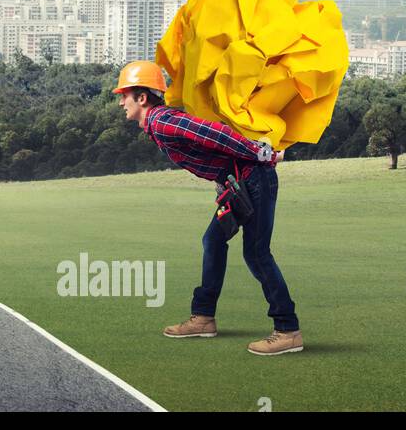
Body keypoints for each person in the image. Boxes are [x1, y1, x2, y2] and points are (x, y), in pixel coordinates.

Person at [112, 60, 303, 356]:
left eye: (124, 94)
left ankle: (288, 330)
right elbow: (207, 149)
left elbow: (212, 133)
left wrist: (259, 153)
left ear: (142, 98)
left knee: (256, 253)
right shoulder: (157, 124)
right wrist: (222, 180)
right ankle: (203, 318)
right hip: (238, 182)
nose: (121, 101)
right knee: (212, 241)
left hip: (254, 177)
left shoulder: (162, 120)